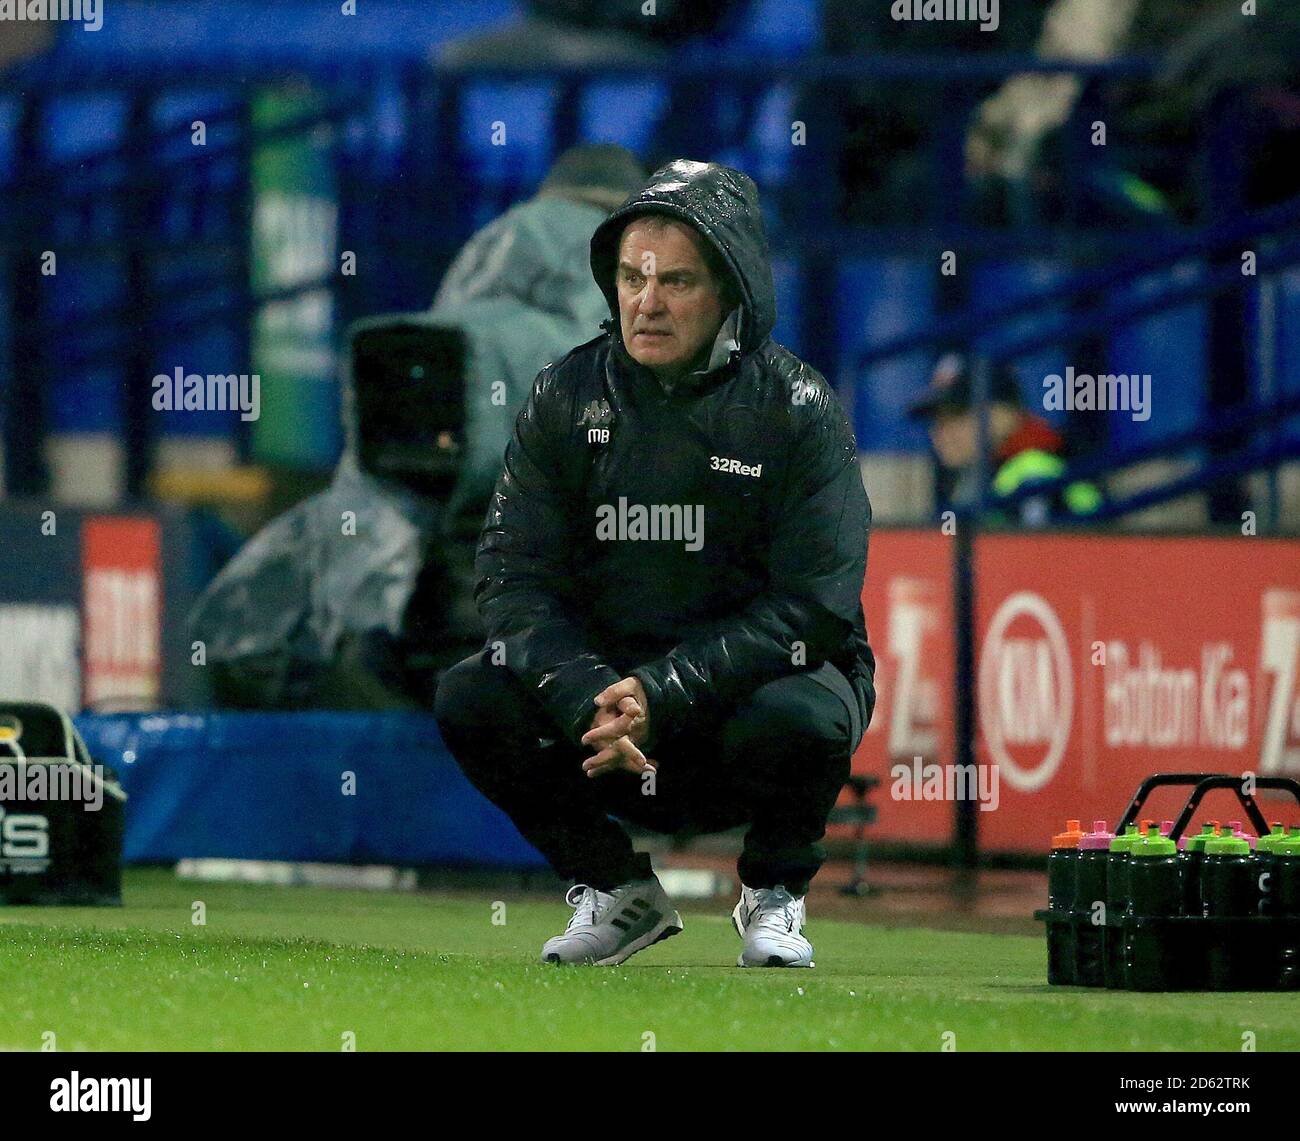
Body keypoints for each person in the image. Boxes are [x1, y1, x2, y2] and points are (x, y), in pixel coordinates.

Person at [434, 160, 875, 968]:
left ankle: (774, 894)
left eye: (676, 280)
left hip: (739, 715)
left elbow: (813, 607)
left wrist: (662, 692)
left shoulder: (798, 408)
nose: (648, 300)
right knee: (470, 693)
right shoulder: (564, 395)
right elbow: (510, 577)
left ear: (731, 293)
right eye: (634, 277)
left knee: (806, 712)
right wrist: (584, 693)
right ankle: (615, 889)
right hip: (607, 720)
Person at [908, 353, 1102, 525]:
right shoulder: (977, 473)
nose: (941, 433)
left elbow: (1038, 560)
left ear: (1003, 413)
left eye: (957, 414)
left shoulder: (1034, 470)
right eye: (936, 420)